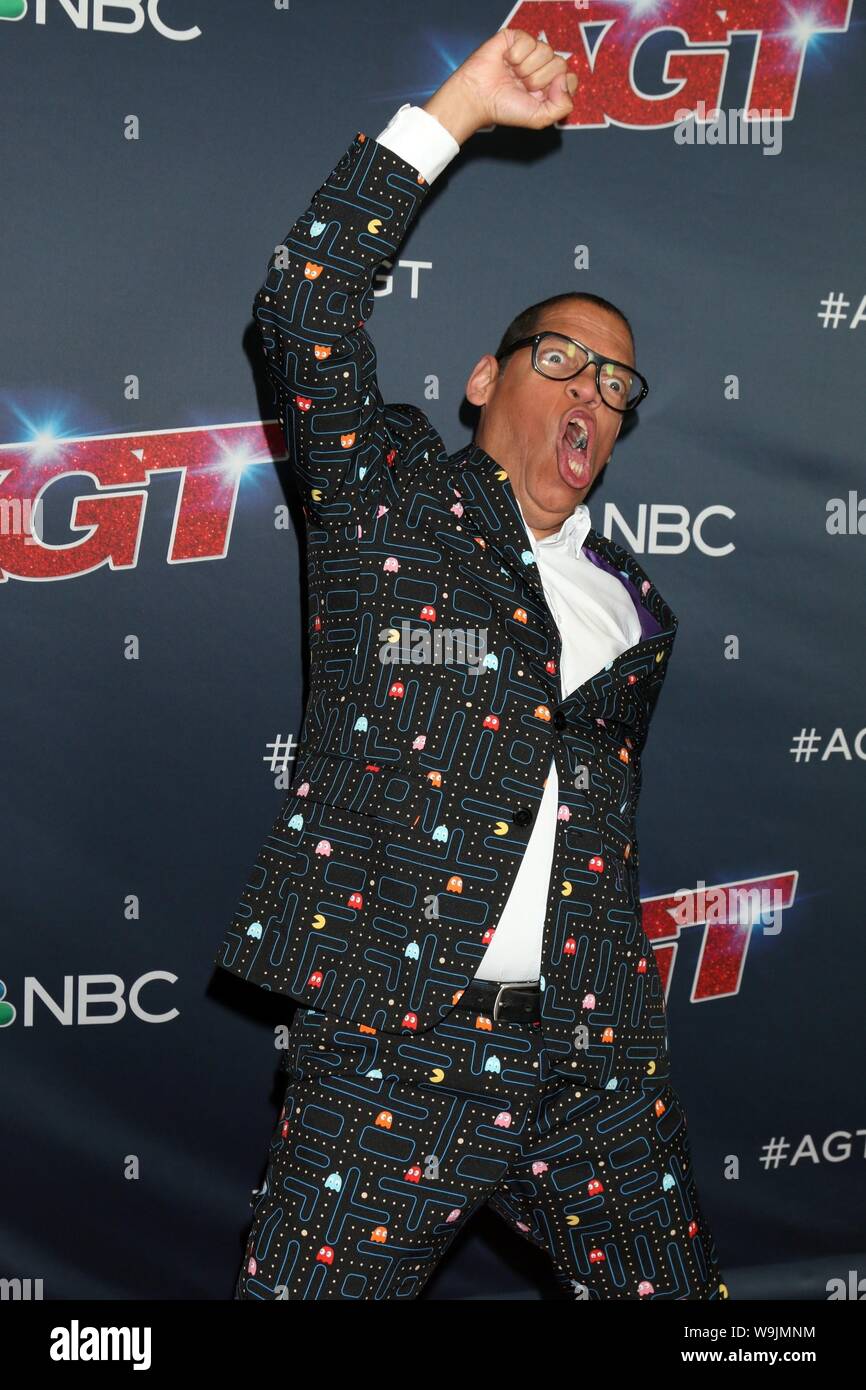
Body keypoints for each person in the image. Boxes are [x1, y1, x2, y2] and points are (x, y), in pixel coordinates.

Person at [215, 27, 727, 1301]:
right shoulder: (385, 497)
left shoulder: (630, 603)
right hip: (393, 1047)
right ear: (483, 378)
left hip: (589, 1061)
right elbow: (302, 306)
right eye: (559, 357)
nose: (590, 394)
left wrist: (618, 1030)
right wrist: (457, 110)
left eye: (616, 383)